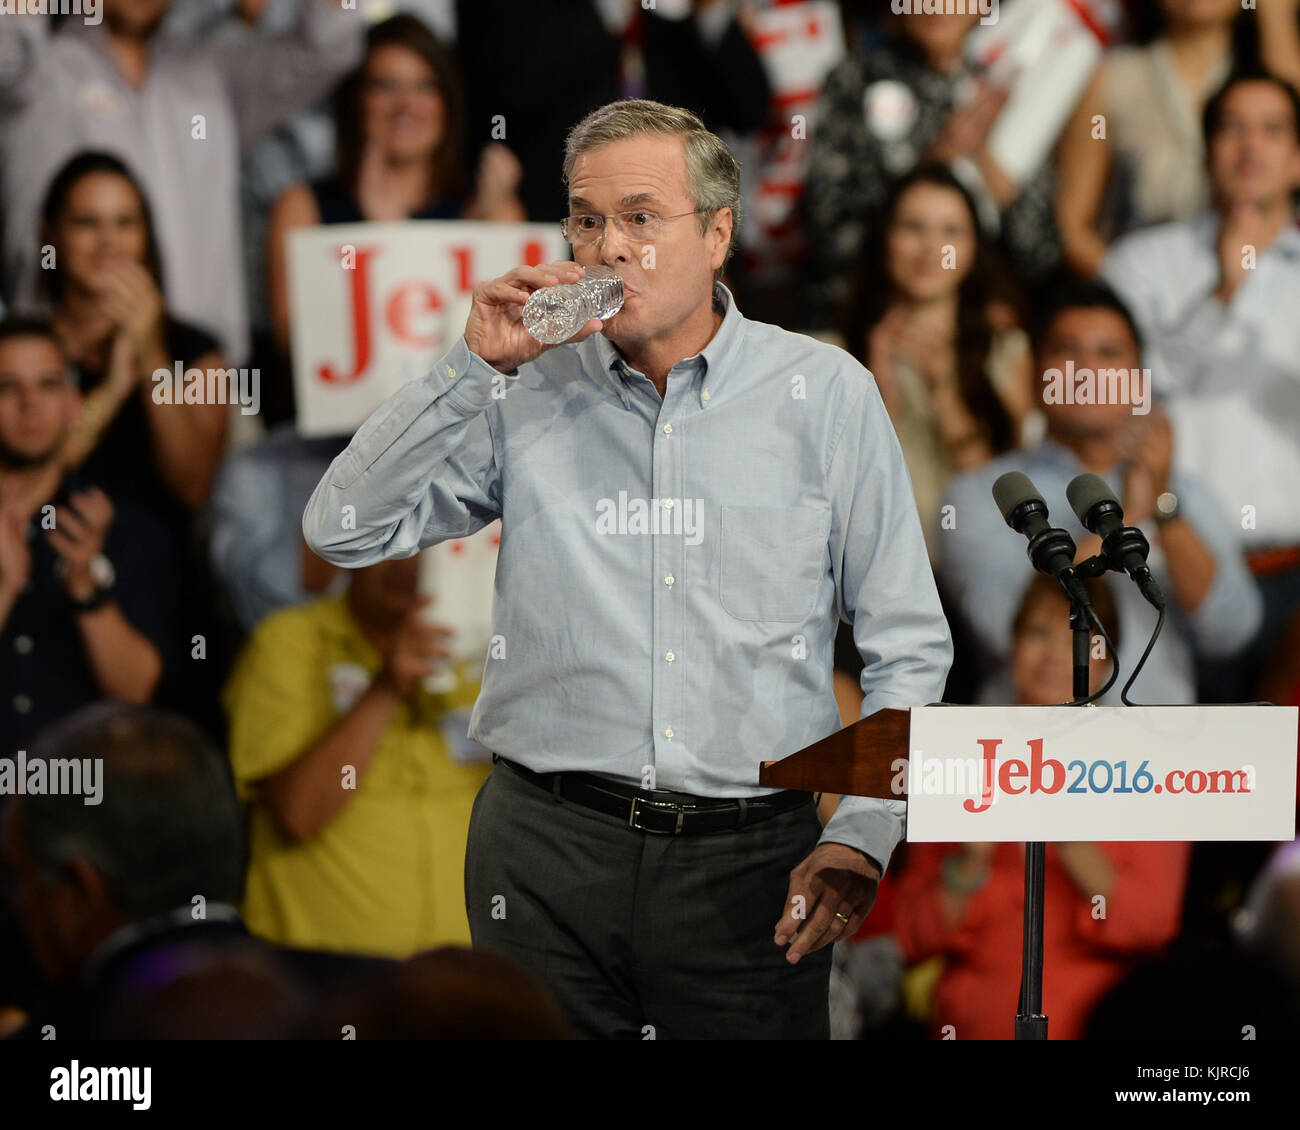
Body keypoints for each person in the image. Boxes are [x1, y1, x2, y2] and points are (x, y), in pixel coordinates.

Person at [303, 98, 953, 1039]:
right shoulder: (523, 389)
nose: (609, 247)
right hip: (544, 853)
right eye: (586, 218)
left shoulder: (824, 395)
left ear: (718, 234)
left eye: (642, 218)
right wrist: (469, 368)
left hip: (750, 862)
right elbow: (341, 530)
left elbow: (907, 647)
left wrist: (862, 830)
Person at [892, 572, 1191, 1040]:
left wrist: (1063, 829)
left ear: (1105, 659)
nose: (1053, 653)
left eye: (1077, 638)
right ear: (1010, 648)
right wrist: (969, 862)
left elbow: (1153, 926)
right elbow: (909, 934)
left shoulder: (1149, 770)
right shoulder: (960, 758)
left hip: (1099, 1021)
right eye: (1036, 633)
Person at [937, 279, 1261, 706]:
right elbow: (1000, 625)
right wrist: (1127, 517)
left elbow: (1230, 632)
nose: (1086, 370)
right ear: (1034, 372)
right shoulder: (984, 494)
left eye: (1109, 354)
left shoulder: (1180, 495)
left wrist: (1163, 510)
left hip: (1164, 757)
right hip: (1021, 756)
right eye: (1066, 350)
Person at [0, 0, 362, 367]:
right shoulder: (34, 68)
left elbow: (330, 44)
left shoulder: (211, 71)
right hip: (55, 381)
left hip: (202, 379)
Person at [1100, 71, 1300, 700]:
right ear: (1206, 149)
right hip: (1175, 568)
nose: (1250, 146)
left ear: (1297, 158)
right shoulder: (1140, 263)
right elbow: (1115, 397)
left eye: (1272, 130)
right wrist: (1222, 294)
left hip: (1296, 581)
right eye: (1232, 128)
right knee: (1186, 778)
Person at [223, 554, 490, 957]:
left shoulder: (485, 651)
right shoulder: (290, 640)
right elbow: (298, 814)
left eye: (428, 547)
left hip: (460, 976)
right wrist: (385, 688)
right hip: (326, 976)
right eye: (391, 546)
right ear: (354, 548)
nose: (408, 566)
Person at [266, 13, 526, 366]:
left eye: (425, 86)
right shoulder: (301, 207)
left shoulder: (491, 208)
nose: (406, 105)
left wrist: (483, 227)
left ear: (447, 102)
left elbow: (513, 346)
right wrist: (380, 234)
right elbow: (297, 347)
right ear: (356, 100)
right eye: (385, 85)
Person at [802, 7, 1060, 326]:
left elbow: (1040, 256)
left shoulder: (1001, 88)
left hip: (974, 329)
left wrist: (989, 165)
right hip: (860, 319)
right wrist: (937, 161)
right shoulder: (856, 80)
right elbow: (829, 233)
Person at [0, 318, 178, 754]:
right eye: (7, 387)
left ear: (75, 403)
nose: (30, 404)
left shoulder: (123, 526)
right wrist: (4, 589)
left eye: (48, 385)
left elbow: (136, 693)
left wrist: (87, 589)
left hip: (85, 804)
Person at [840, 164, 1033, 558]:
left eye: (951, 231)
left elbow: (1002, 499)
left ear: (975, 247)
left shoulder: (1008, 351)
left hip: (975, 571)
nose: (931, 247)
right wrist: (880, 390)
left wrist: (944, 389)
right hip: (871, 568)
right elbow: (834, 490)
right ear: (886, 239)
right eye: (913, 227)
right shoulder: (832, 353)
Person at [38, 152, 228, 516]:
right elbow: (20, 483)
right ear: (52, 233)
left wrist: (152, 354)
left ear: (146, 235)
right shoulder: (22, 349)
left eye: (125, 222)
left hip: (155, 562)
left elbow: (194, 486)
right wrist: (112, 390)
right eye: (85, 222)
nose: (107, 240)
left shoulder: (198, 351)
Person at [1056, 0, 1300, 276]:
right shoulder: (1114, 79)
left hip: (1261, 292)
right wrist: (1137, 291)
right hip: (1138, 296)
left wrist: (1276, 18)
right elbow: (1071, 226)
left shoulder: (1264, 84)